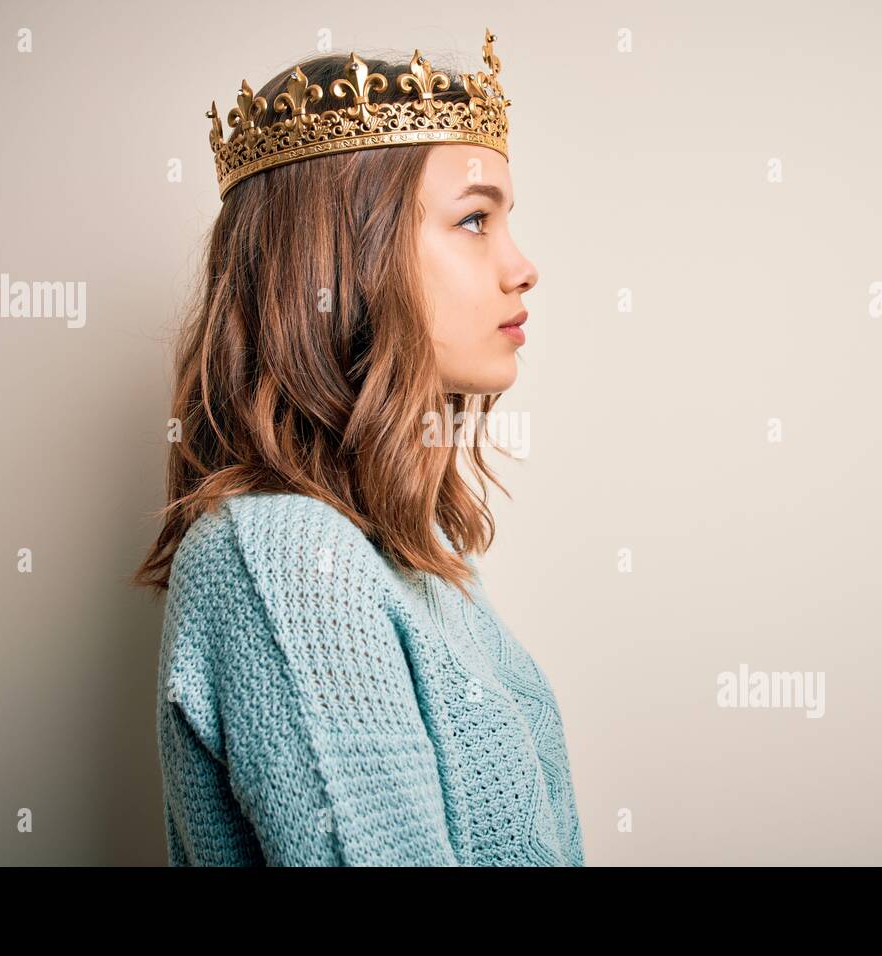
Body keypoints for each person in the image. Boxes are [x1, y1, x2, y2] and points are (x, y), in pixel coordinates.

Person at [131, 29, 585, 866]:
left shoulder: (417, 551)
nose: (523, 267)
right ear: (346, 259)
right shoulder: (281, 555)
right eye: (475, 220)